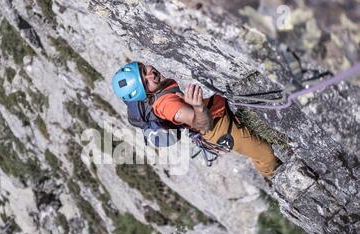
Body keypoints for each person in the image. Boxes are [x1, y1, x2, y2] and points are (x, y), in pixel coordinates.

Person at [111, 62, 280, 178]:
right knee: (266, 155)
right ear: (146, 94)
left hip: (217, 106)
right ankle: (274, 176)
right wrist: (198, 107)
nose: (151, 75)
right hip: (218, 126)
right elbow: (203, 124)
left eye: (143, 71)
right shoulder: (166, 105)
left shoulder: (161, 83)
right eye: (146, 83)